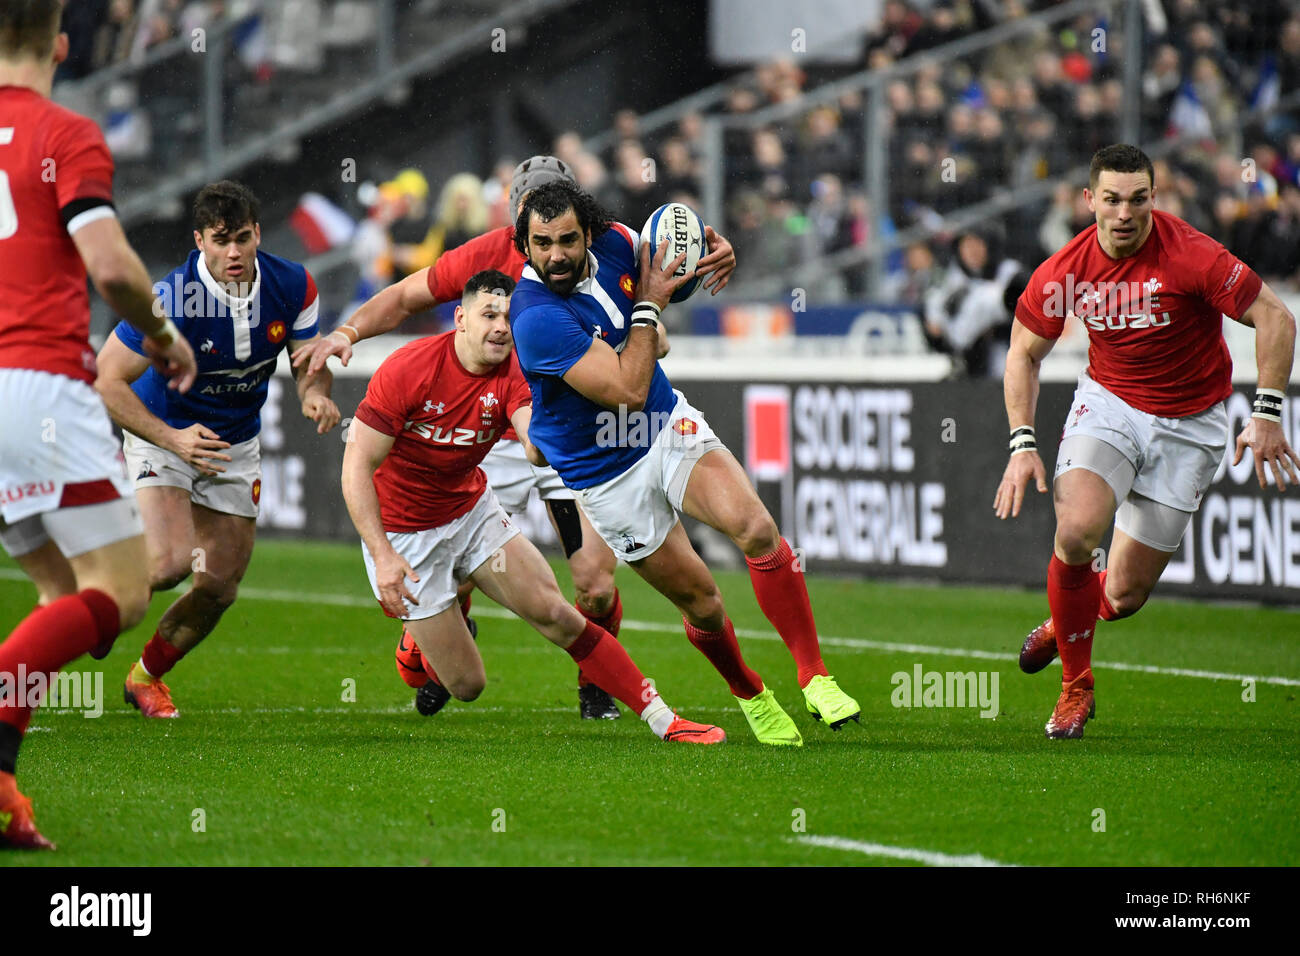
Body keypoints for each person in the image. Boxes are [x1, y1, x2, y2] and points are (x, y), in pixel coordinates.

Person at [294, 156, 738, 720]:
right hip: (494, 435)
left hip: (561, 426)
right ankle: (434, 632)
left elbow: (659, 292)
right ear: (517, 222)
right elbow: (408, 296)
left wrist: (710, 253)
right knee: (457, 570)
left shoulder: (595, 244)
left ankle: (595, 686)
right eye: (530, 221)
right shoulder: (487, 253)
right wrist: (346, 330)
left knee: (593, 584)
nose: (550, 244)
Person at [509, 180, 862, 747]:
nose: (556, 254)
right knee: (703, 602)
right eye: (542, 243)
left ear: (589, 232)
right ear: (523, 244)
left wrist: (710, 253)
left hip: (661, 426)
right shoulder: (533, 317)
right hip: (604, 474)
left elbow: (678, 259)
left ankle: (815, 676)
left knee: (757, 529)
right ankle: (751, 692)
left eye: (568, 240)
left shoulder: (624, 243)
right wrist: (649, 305)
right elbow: (625, 389)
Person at [341, 269, 723, 744]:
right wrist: (382, 555)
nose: (501, 326)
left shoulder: (517, 371)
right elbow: (356, 466)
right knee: (468, 685)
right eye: (488, 314)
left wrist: (561, 440)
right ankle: (421, 642)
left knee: (559, 614)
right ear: (460, 319)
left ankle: (665, 720)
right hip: (406, 535)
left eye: (508, 316)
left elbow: (531, 440)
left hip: (470, 514)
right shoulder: (408, 369)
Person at [995, 143, 1299, 739]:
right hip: (1109, 406)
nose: (1125, 213)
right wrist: (1021, 442)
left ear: (1153, 198)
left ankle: (1065, 623)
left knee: (1127, 595)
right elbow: (1022, 353)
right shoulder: (1065, 271)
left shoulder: (1192, 256)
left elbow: (1275, 317)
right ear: (1090, 201)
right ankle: (1075, 687)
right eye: (1111, 199)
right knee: (1077, 530)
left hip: (1194, 423)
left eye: (1137, 199)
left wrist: (1265, 414)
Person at [0, 0, 197, 849]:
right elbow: (112, 266)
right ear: (64, 43)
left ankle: (5, 789)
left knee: (58, 594)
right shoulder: (64, 132)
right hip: (38, 388)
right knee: (118, 597)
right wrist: (161, 336)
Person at [94, 180, 340, 718]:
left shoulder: (293, 285)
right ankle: (97, 604)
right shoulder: (169, 299)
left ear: (257, 234)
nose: (234, 252)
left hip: (234, 444)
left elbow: (306, 366)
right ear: (200, 240)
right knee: (166, 565)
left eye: (244, 238)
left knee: (219, 587)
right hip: (164, 431)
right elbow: (107, 381)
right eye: (221, 240)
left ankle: (145, 677)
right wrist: (173, 439)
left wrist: (314, 397)